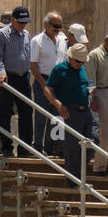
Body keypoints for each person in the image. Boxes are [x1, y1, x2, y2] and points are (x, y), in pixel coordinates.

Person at [43, 43, 93, 182]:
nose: (80, 63)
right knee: (72, 148)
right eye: (78, 61)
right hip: (69, 111)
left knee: (93, 141)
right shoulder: (60, 69)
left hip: (86, 111)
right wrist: (58, 104)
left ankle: (79, 173)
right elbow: (48, 89)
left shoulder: (82, 69)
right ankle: (73, 180)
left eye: (82, 61)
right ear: (70, 57)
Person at [0, 5, 34, 156]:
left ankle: (25, 148)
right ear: (13, 20)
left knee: (27, 112)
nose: (23, 25)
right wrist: (1, 72)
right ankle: (7, 148)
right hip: (8, 78)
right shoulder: (2, 34)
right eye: (21, 22)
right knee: (5, 113)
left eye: (25, 22)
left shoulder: (27, 35)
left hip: (24, 78)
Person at [84, 30, 108, 174]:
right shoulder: (95, 55)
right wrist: (93, 98)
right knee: (106, 134)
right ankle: (99, 167)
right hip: (102, 93)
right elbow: (90, 79)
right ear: (107, 41)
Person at [30, 11, 67, 154]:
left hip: (59, 83)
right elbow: (33, 66)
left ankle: (52, 148)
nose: (57, 29)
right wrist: (44, 85)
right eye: (55, 26)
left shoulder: (63, 40)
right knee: (41, 116)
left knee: (57, 116)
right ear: (46, 24)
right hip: (43, 81)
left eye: (60, 26)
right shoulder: (37, 41)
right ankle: (38, 147)